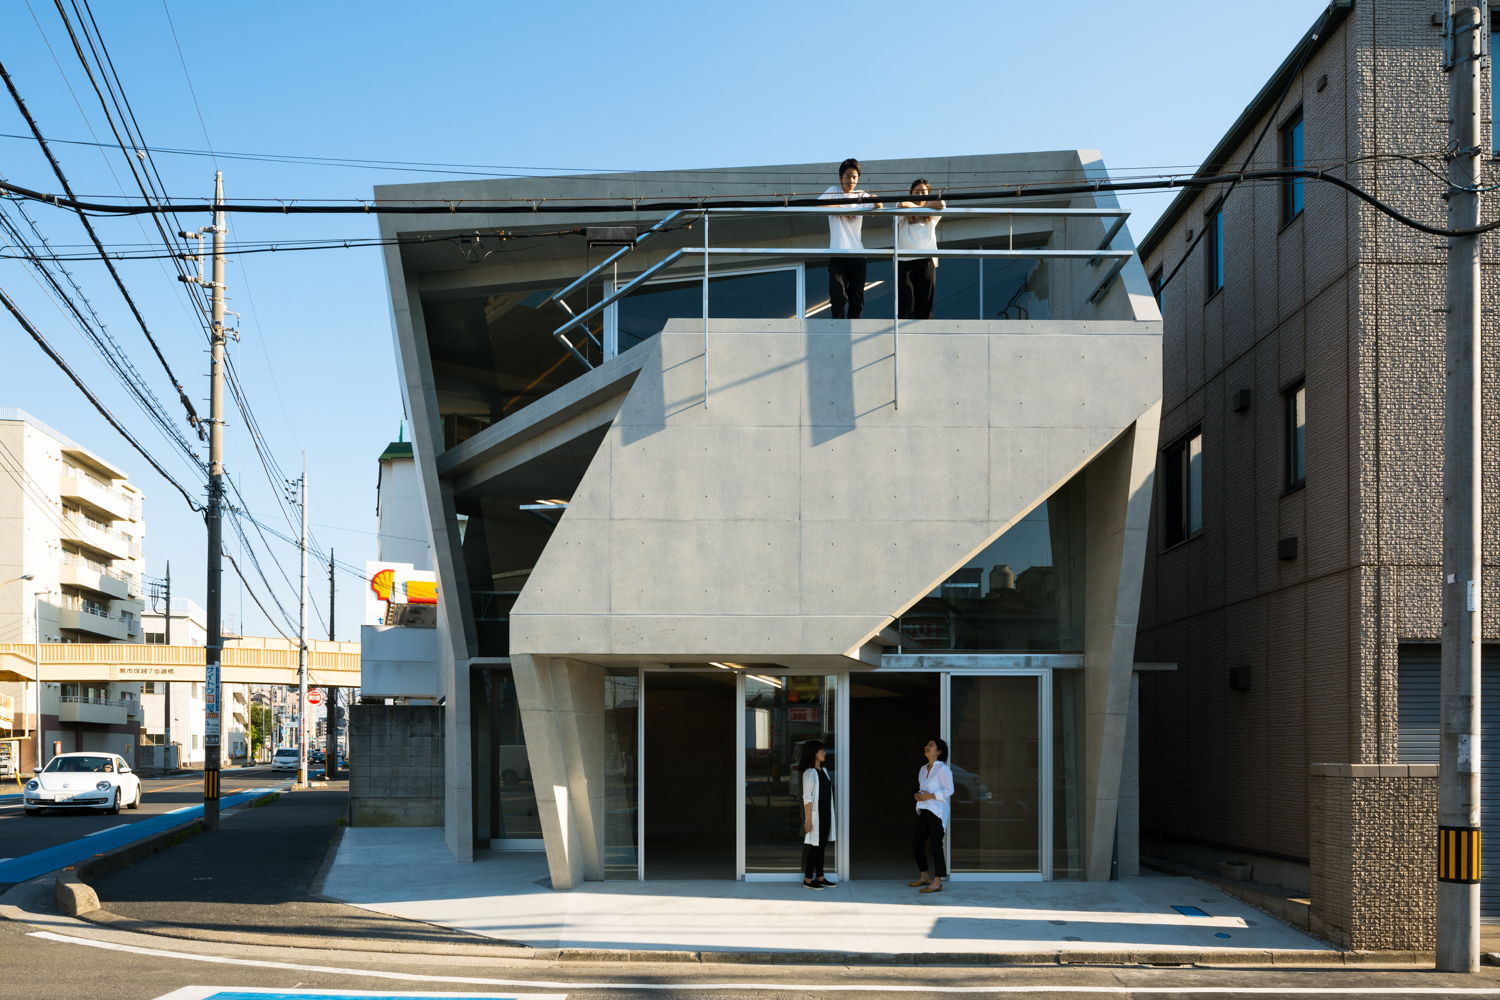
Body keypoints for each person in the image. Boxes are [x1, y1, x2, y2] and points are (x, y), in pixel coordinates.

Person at [819, 158, 882, 319]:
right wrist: (841, 209)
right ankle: (839, 327)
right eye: (848, 177)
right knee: (838, 295)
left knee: (857, 296)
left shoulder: (860, 195)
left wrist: (875, 201)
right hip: (838, 252)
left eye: (854, 177)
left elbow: (878, 206)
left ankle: (853, 327)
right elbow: (818, 205)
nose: (851, 181)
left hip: (857, 253)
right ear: (840, 178)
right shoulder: (833, 191)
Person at [897, 179, 946, 320]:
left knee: (925, 306)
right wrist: (918, 211)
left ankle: (924, 338)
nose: (920, 195)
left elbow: (941, 203)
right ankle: (904, 338)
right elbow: (902, 204)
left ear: (929, 195)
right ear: (911, 193)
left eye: (924, 193)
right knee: (905, 306)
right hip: (905, 262)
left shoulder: (931, 213)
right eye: (916, 192)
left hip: (926, 261)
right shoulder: (903, 214)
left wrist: (920, 211)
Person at [911, 737, 953, 893]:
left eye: (931, 745)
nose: (927, 747)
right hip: (924, 809)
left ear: (939, 751)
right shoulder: (923, 769)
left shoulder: (943, 769)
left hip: (937, 812)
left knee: (936, 847)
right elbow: (924, 790)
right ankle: (924, 877)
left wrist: (929, 796)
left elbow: (949, 791)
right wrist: (919, 795)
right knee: (917, 844)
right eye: (927, 744)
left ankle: (937, 882)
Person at [800, 739, 836, 889]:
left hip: (826, 814)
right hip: (816, 816)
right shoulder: (809, 773)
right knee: (815, 847)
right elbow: (807, 798)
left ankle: (820, 877)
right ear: (813, 753)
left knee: (822, 846)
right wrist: (808, 820)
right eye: (821, 750)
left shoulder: (824, 771)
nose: (824, 753)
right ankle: (808, 879)